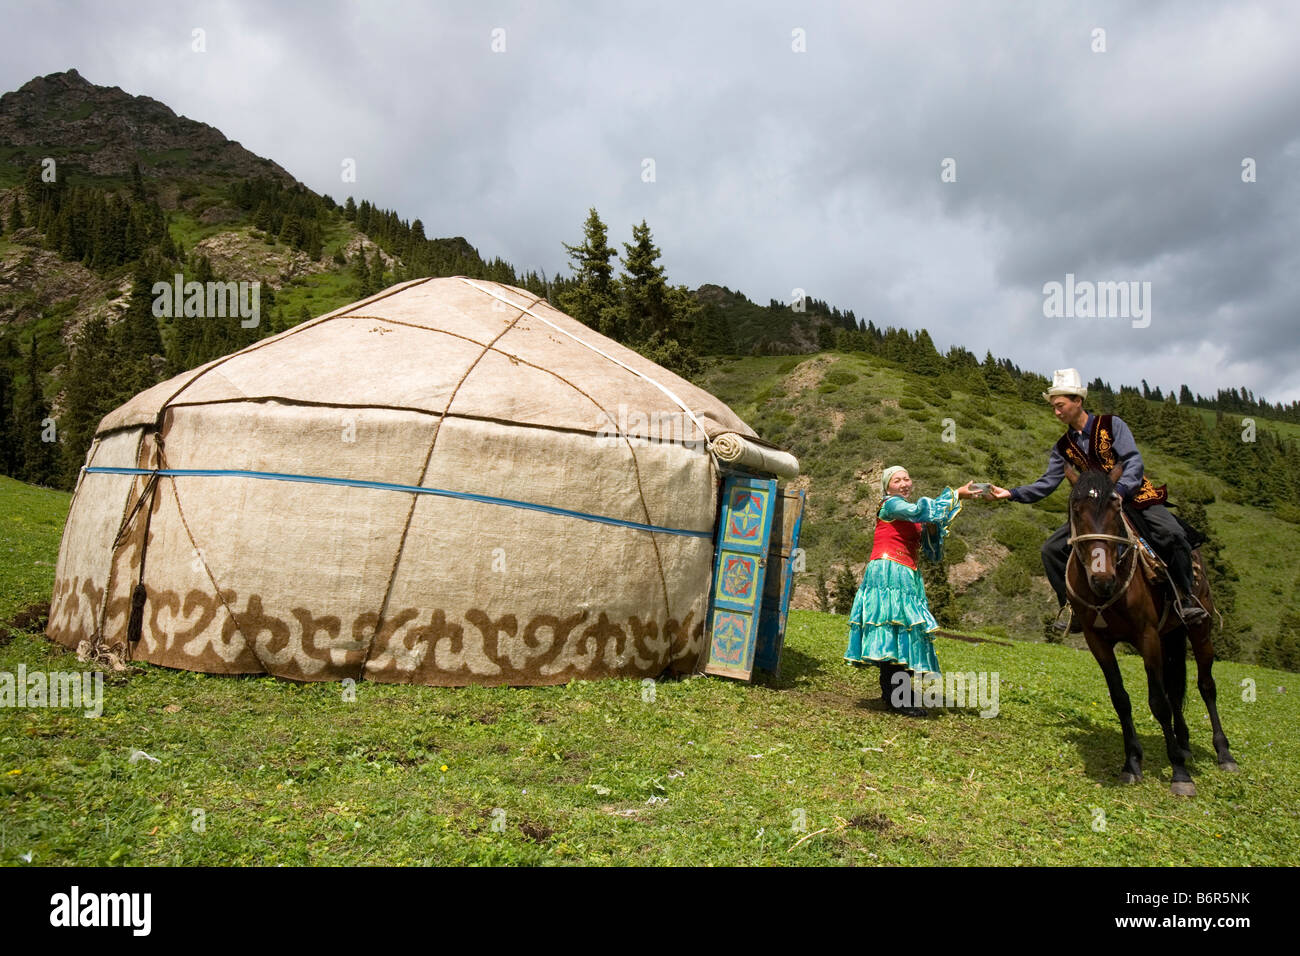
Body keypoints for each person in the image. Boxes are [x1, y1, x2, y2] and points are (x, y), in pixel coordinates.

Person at [986, 368, 1209, 628]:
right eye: (1053, 408)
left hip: (1135, 496)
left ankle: (1186, 598)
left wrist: (1121, 490)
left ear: (1077, 401)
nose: (1057, 412)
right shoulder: (1063, 447)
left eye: (1060, 406)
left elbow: (1133, 460)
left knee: (1172, 534)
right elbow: (1047, 483)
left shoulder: (1112, 425)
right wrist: (1011, 493)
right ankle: (1071, 608)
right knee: (1051, 550)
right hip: (1096, 510)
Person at [845, 466, 981, 716]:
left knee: (902, 631)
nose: (904, 483)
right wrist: (957, 495)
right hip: (889, 572)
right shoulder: (891, 505)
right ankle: (899, 698)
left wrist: (932, 526)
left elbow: (931, 547)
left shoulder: (907, 514)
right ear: (888, 487)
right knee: (898, 629)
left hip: (905, 574)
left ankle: (897, 695)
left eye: (907, 478)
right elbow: (919, 510)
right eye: (897, 480)